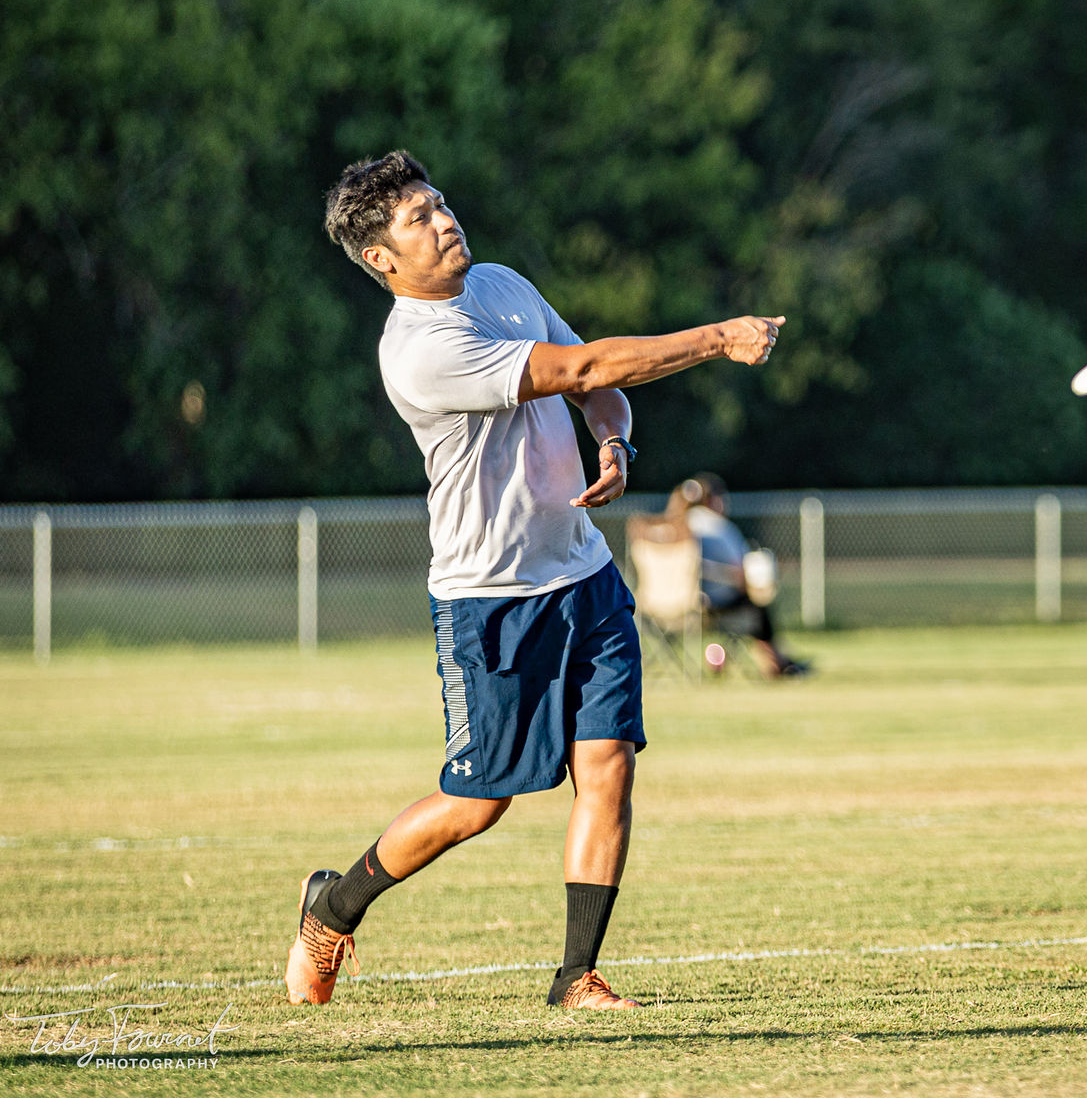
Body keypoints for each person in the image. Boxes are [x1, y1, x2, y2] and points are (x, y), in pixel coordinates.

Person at [288, 151, 785, 1011]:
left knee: (609, 768)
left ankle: (576, 978)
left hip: (584, 575)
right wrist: (717, 337)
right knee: (478, 803)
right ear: (382, 260)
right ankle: (332, 908)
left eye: (440, 202)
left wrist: (615, 442)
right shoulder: (420, 351)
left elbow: (596, 383)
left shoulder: (500, 282)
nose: (446, 221)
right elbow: (585, 370)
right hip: (491, 601)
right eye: (419, 218)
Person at [668, 473, 810, 679]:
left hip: (664, 604)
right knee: (758, 607)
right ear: (713, 499)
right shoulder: (717, 527)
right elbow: (742, 568)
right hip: (712, 604)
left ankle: (778, 661)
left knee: (754, 608)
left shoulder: (671, 527)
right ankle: (777, 663)